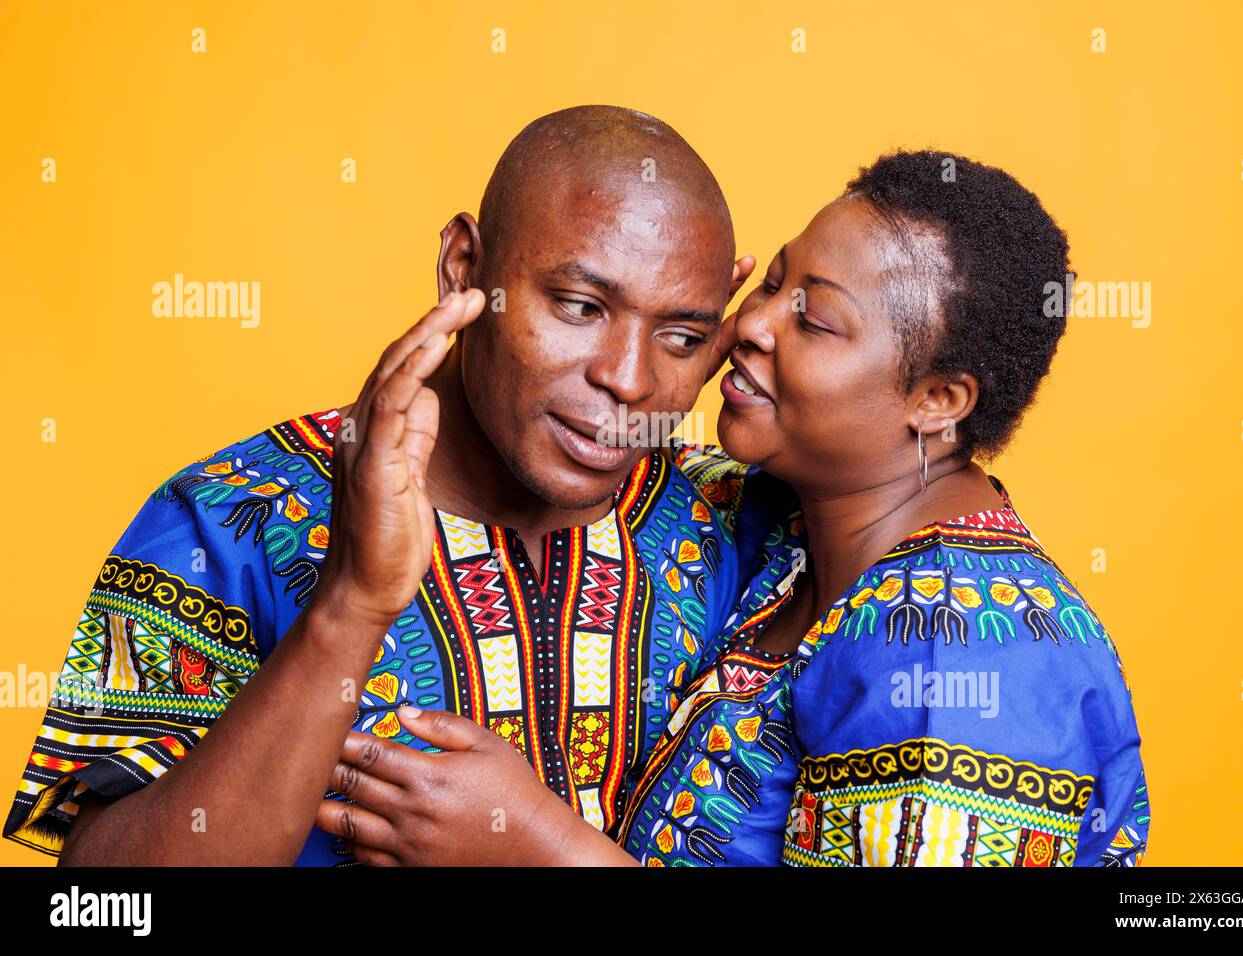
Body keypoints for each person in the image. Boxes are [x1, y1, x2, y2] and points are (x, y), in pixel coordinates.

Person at [320, 150, 1150, 868]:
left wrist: (540, 848)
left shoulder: (962, 649)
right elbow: (563, 434)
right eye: (774, 283)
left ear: (938, 400)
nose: (750, 324)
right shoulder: (783, 533)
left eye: (814, 321)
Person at [2, 105, 757, 865]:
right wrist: (350, 604)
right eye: (580, 306)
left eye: (682, 336)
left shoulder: (729, 521)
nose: (629, 379)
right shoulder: (234, 515)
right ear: (464, 265)